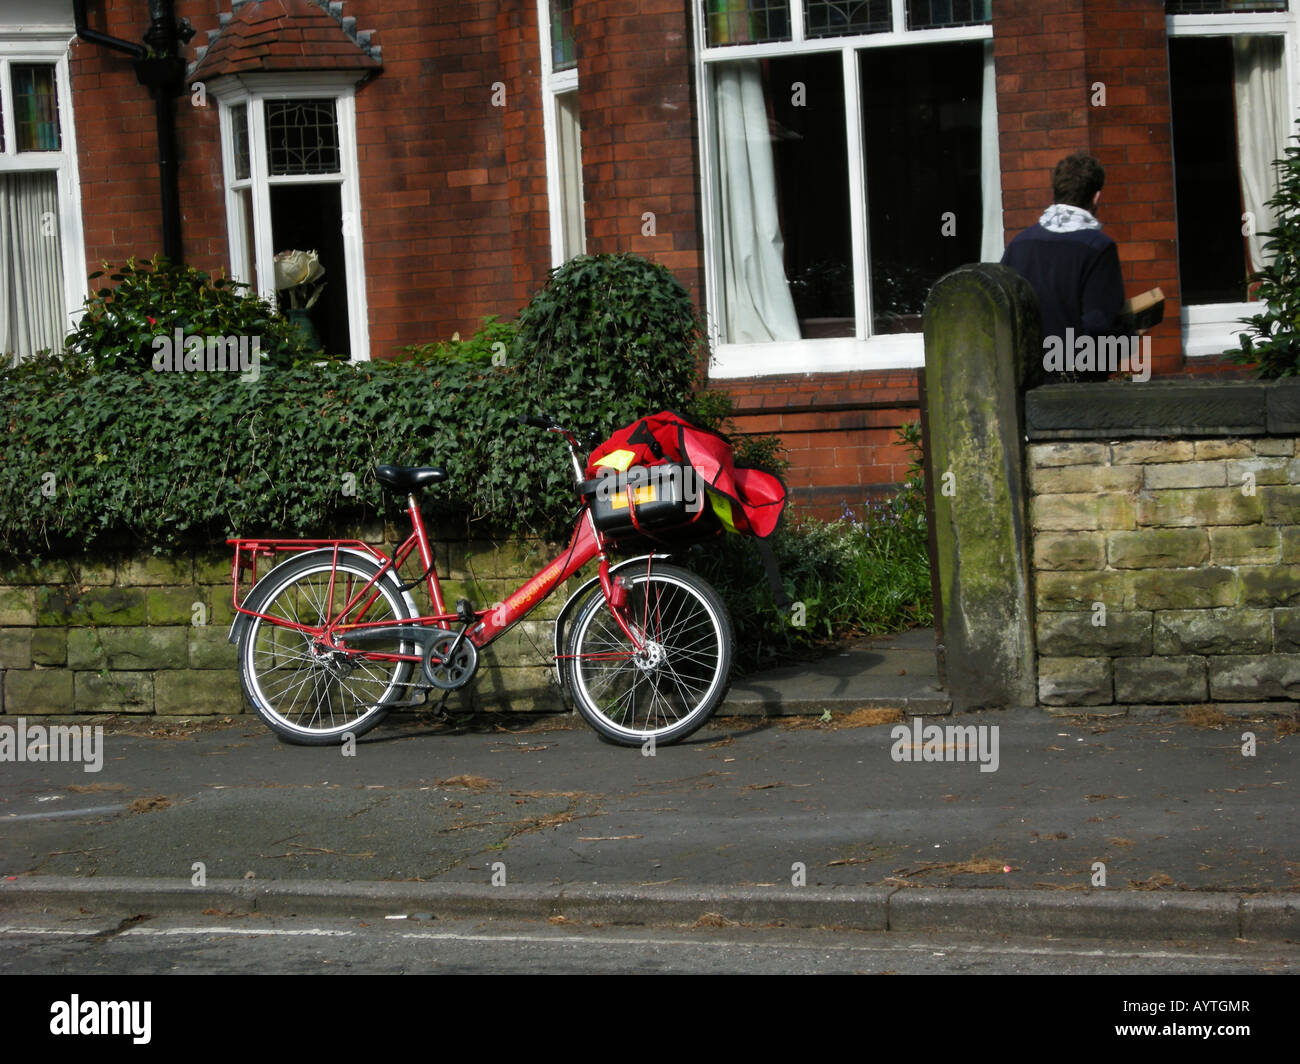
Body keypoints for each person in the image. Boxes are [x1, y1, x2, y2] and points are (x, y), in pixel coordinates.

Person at [1001, 152, 1126, 383]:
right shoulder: (1099, 249)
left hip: (1022, 388)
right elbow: (1099, 330)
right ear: (1096, 197)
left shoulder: (1018, 245)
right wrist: (1129, 336)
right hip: (1073, 391)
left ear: (1056, 192)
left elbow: (1002, 320)